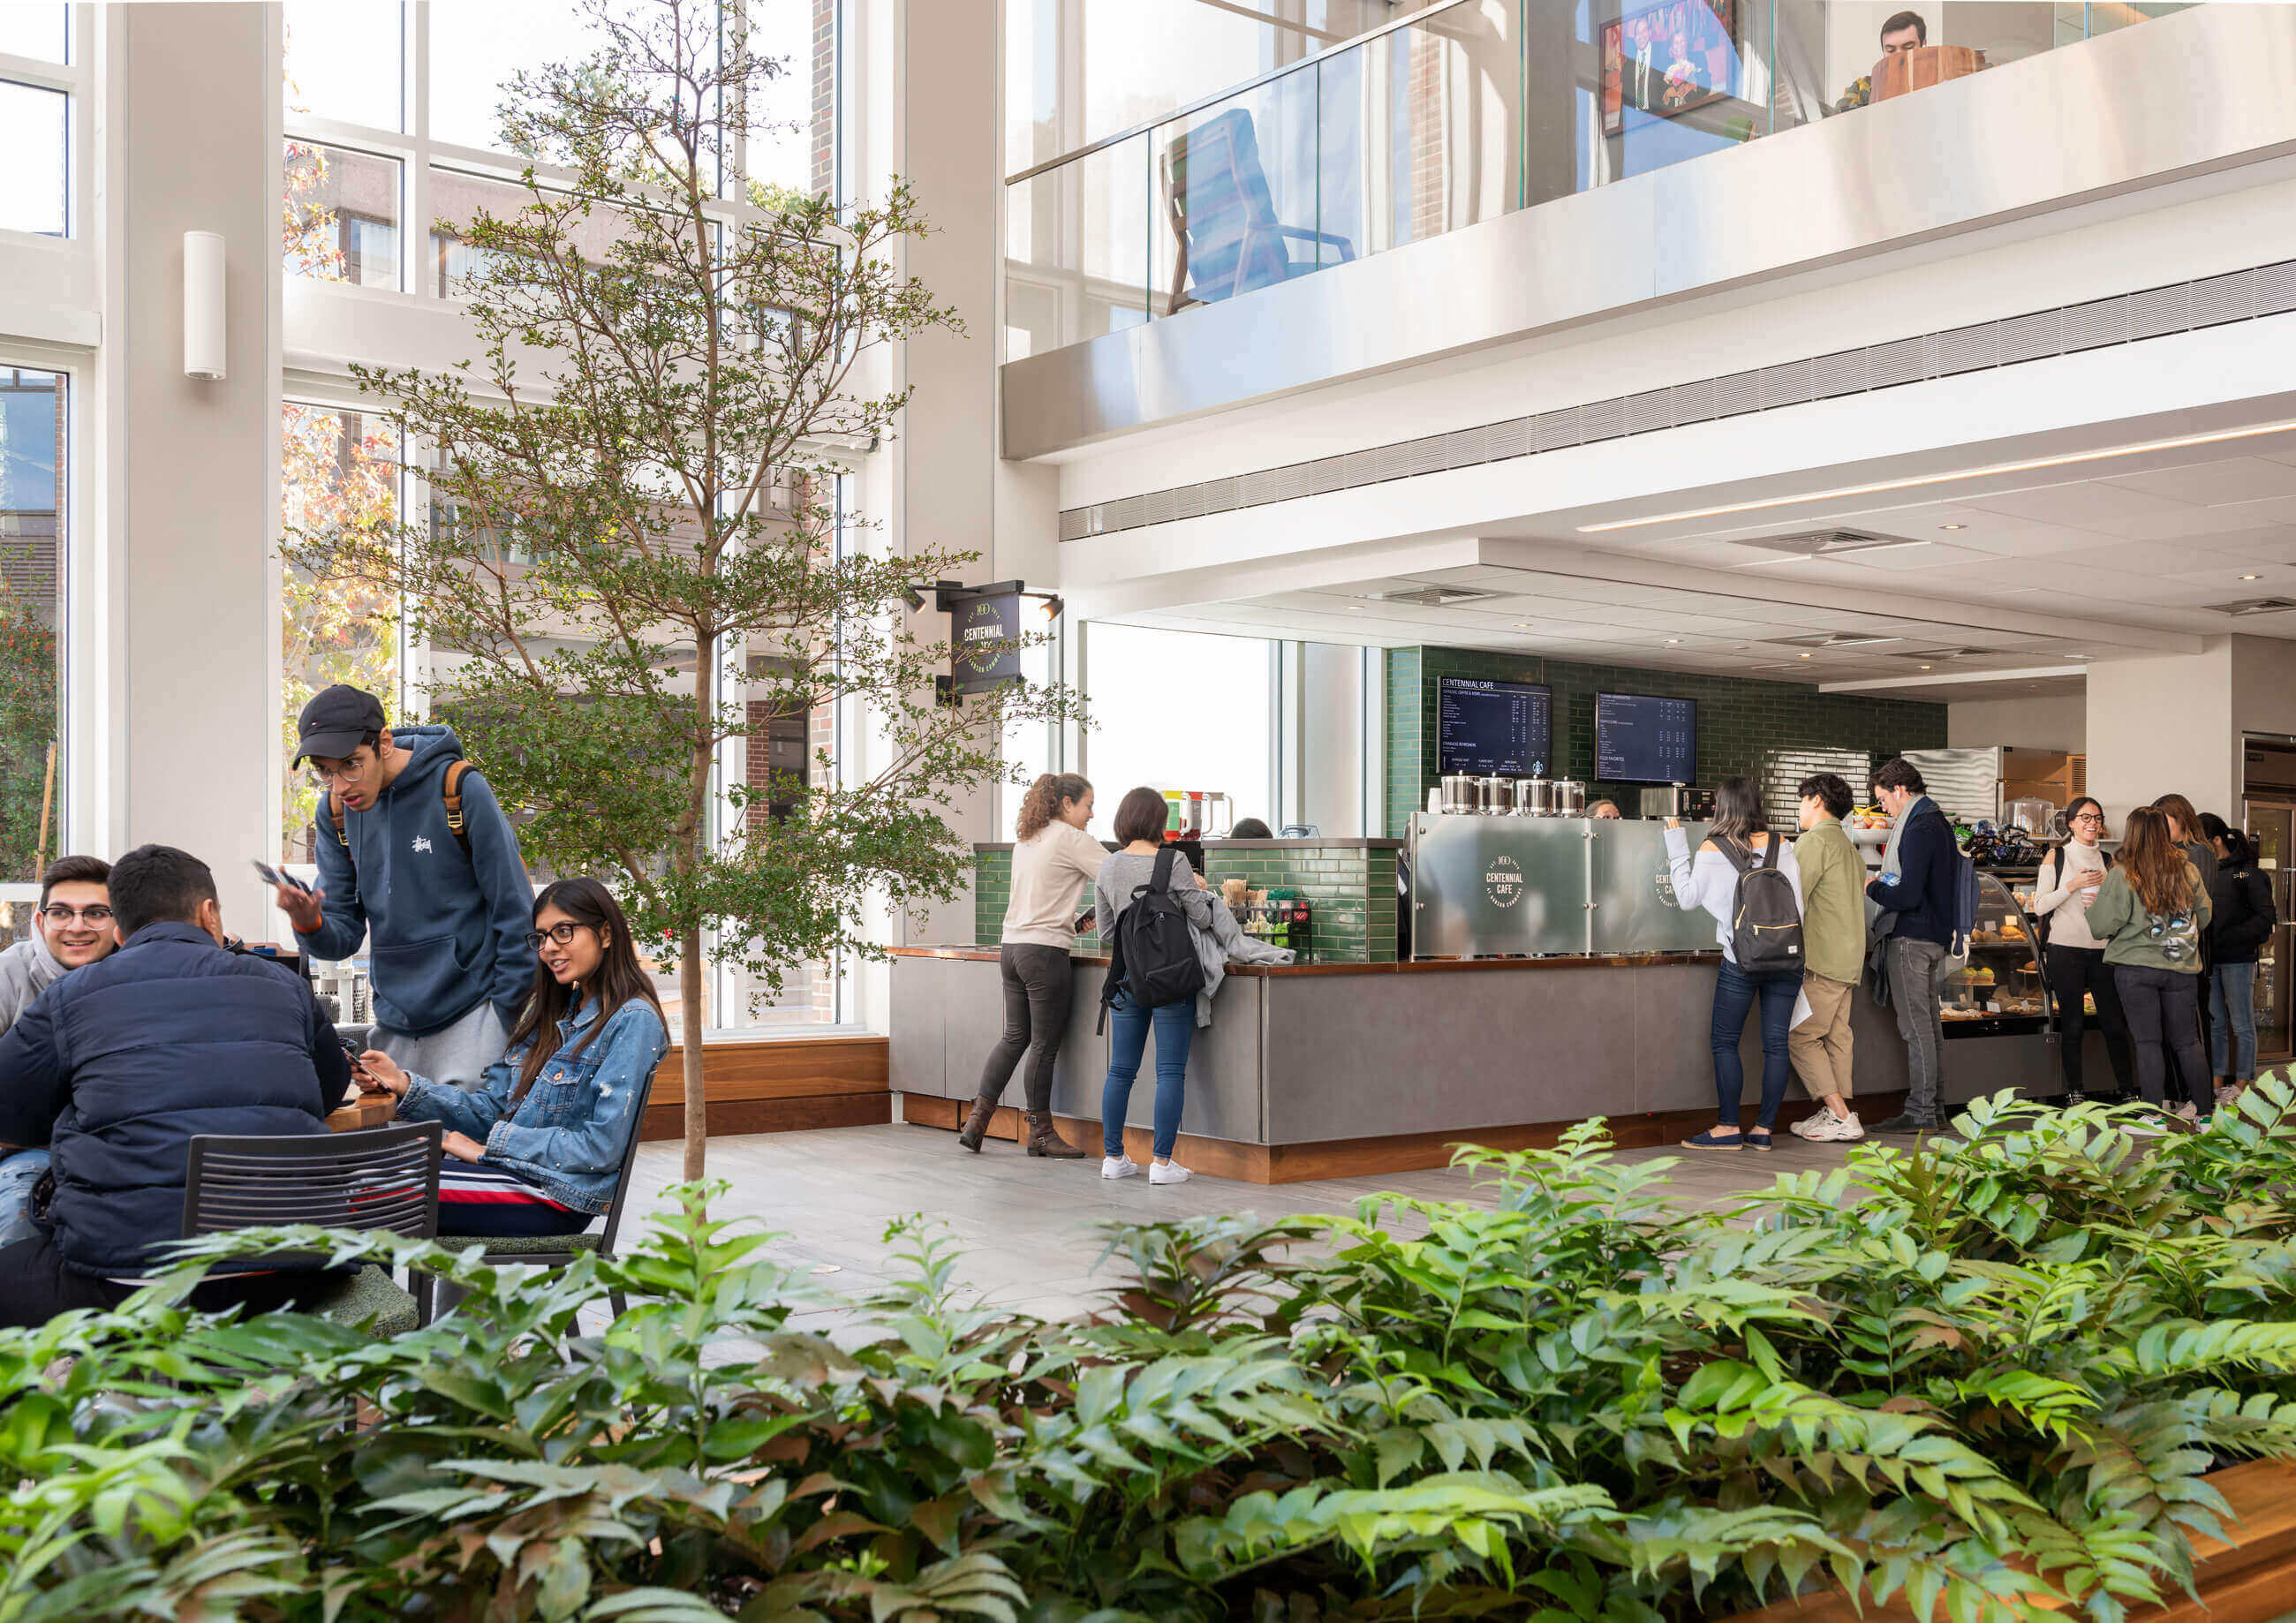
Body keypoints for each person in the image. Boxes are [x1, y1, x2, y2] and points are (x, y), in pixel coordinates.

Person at [0, 846, 347, 1324]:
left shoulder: (70, 995)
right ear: (209, 914)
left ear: (119, 931)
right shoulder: (283, 984)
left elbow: (11, 1116)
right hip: (294, 1273)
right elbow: (328, 1091)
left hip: (131, 1281)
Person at [358, 877, 668, 1237]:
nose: (549, 948)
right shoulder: (553, 1014)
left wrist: (489, 1148)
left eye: (563, 932)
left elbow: (602, 1147)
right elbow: (492, 1110)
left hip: (554, 1196)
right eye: (542, 937)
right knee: (362, 1173)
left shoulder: (633, 1020)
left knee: (371, 1190)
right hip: (509, 1175)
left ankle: (371, 1279)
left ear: (606, 934)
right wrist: (404, 1084)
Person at [272, 684, 537, 1089]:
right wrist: (310, 924)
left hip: (474, 1014)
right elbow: (342, 938)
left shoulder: (459, 788)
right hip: (393, 1023)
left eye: (351, 764)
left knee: (469, 1130)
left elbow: (516, 911)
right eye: (325, 771)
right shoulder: (335, 812)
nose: (340, 785)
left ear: (384, 743)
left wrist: (504, 1013)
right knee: (394, 1132)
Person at [959, 774, 1099, 1159]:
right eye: (1088, 805)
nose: (1091, 814)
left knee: (1014, 1037)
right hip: (1044, 954)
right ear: (1067, 804)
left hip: (1012, 949)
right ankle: (1041, 1134)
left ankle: (976, 1123)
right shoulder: (1071, 838)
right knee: (1043, 1046)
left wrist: (1075, 921)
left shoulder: (1029, 838)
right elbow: (1120, 876)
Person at [1664, 775, 1805, 1151]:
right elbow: (1799, 905)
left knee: (1725, 1042)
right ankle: (1764, 1130)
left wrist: (1676, 848)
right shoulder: (1782, 844)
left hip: (1740, 961)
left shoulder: (1713, 848)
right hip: (1786, 958)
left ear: (1721, 807)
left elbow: (1687, 899)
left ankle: (1728, 1128)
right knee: (1776, 1045)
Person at [1095, 787, 1214, 1185]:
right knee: (1169, 1072)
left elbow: (1107, 933)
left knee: (1121, 1070)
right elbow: (1201, 918)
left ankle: (1113, 1158)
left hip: (1127, 978)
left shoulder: (1108, 867)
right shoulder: (1174, 861)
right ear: (1160, 823)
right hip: (1170, 978)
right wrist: (1197, 888)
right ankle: (1161, 1164)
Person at [0, 856, 116, 1247]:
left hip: (116, 1152)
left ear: (120, 922)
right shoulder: (8, 974)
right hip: (27, 1152)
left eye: (96, 913)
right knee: (19, 1226)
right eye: (61, 913)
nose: (77, 926)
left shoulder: (135, 978)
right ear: (39, 920)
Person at [2087, 807, 2212, 1127]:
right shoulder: (2188, 870)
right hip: (2182, 967)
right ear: (2164, 832)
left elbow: (2101, 926)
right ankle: (2206, 1116)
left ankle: (2153, 1118)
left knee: (2147, 1043)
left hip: (2136, 968)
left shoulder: (2123, 873)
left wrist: (2091, 907)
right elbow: (2205, 916)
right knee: (2188, 1042)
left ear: (2133, 834)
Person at [1865, 758, 1960, 1135]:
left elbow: (1906, 895)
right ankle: (1934, 1109)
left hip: (1911, 939)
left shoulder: (1919, 827)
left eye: (1883, 799)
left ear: (1900, 790)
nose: (1883, 808)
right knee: (1930, 1028)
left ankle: (1920, 1111)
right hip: (1933, 937)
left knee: (1916, 1030)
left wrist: (1872, 887)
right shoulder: (1937, 821)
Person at [2033, 797, 2135, 1105]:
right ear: (2071, 823)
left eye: (2097, 818)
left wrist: (2109, 890)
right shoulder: (2057, 856)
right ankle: (2074, 1091)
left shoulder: (2108, 860)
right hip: (2065, 950)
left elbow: (2121, 906)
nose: (2092, 823)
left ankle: (2128, 1090)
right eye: (2085, 817)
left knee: (2114, 1024)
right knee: (2073, 1023)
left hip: (2104, 950)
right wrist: (2073, 885)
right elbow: (2039, 905)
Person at [1786, 774, 1863, 1143]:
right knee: (1837, 1037)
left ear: (1816, 800)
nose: (1799, 809)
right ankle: (1838, 1115)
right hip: (1849, 958)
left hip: (1821, 958)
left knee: (1801, 1037)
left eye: (1802, 801)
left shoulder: (1813, 842)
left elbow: (1791, 899)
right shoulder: (1848, 846)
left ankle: (1840, 1115)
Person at [2200, 812, 2275, 1102]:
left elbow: (2265, 918)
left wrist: (2229, 936)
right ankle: (2216, 1082)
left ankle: (2242, 1084)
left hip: (2239, 959)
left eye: (2201, 841)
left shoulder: (2247, 874)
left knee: (2242, 1023)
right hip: (2208, 960)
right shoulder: (2203, 872)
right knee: (2215, 1023)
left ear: (2216, 840)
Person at [2154, 793, 2223, 1088]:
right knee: (2168, 1028)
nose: (2160, 827)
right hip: (2165, 952)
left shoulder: (2199, 852)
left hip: (2191, 952)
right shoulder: (2165, 852)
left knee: (2192, 1027)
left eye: (2164, 820)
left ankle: (2201, 1095)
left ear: (2181, 818)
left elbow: (2196, 907)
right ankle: (2177, 1093)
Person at [1834, 10, 1928, 111]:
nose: (1898, 57)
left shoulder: (1938, 80)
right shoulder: (1863, 86)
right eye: (1891, 50)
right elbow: (1839, 117)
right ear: (1883, 51)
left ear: (1924, 45)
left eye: (1908, 47)